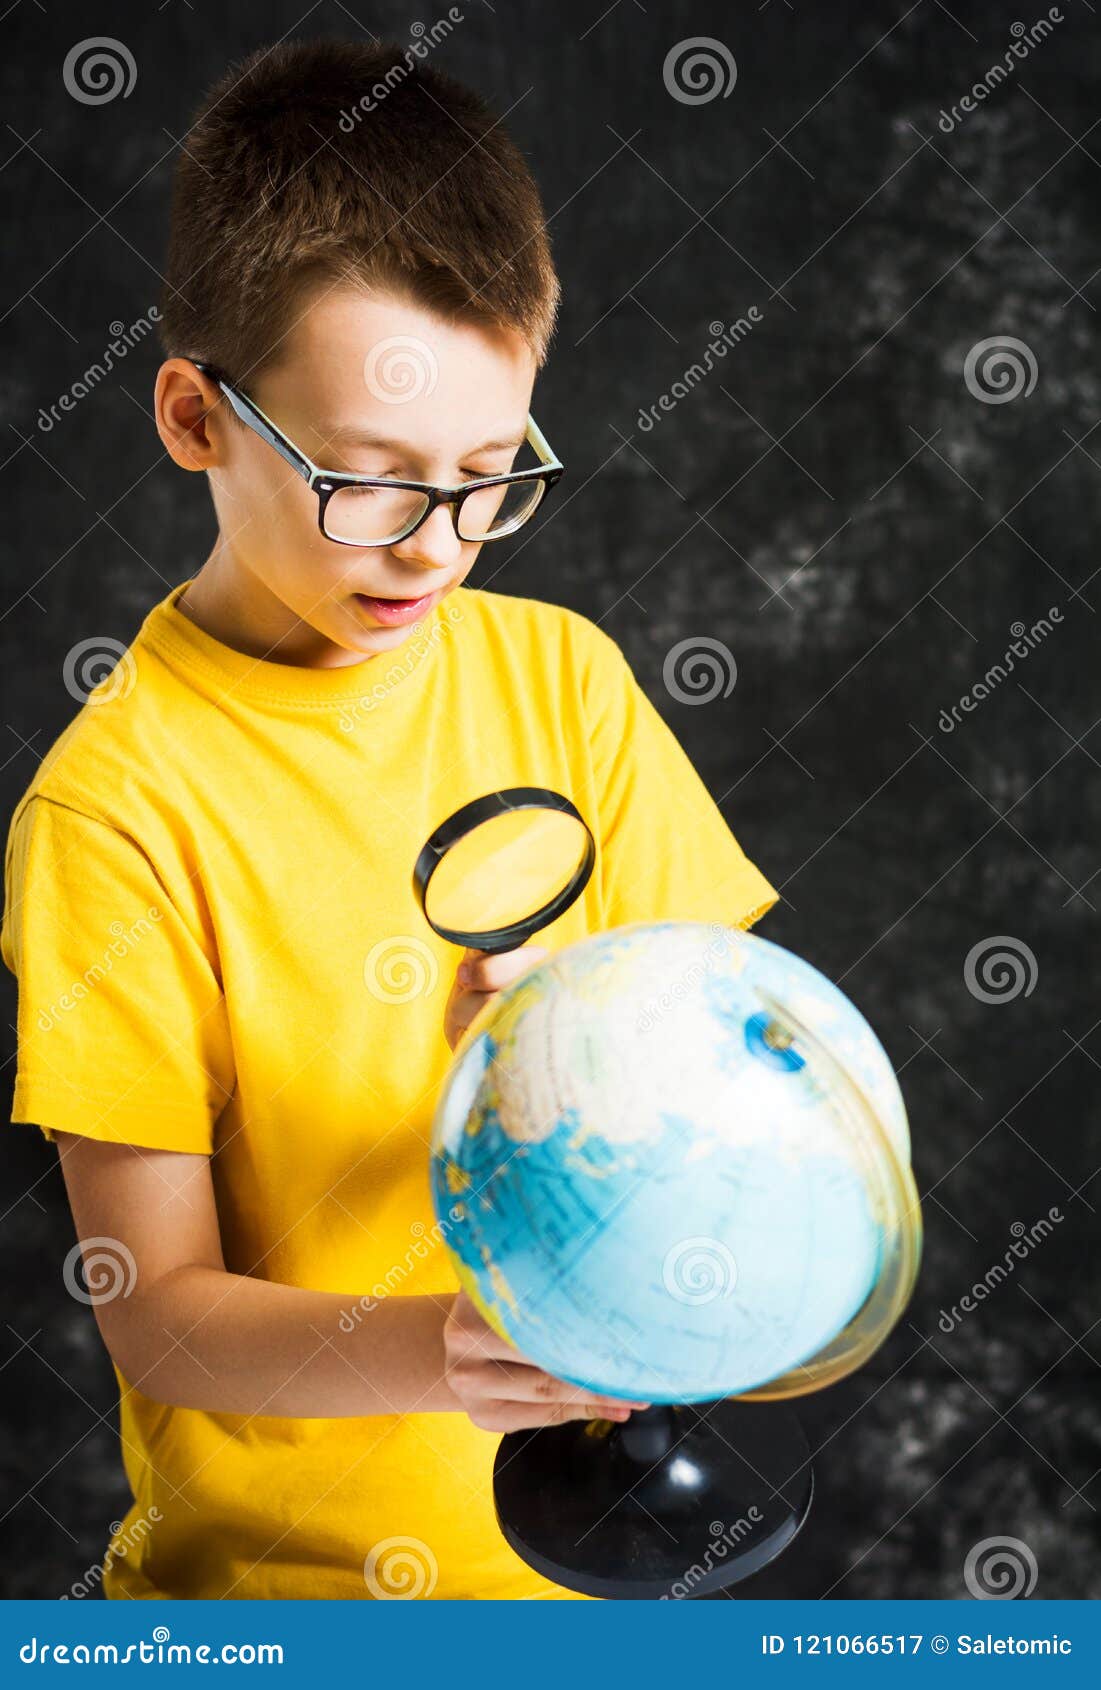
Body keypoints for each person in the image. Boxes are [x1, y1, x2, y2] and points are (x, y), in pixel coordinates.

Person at [1, 39, 779, 1600]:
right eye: (371, 483)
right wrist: (442, 1352)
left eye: (489, 477)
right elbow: (153, 1309)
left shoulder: (565, 680)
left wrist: (601, 1033)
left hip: (593, 1600)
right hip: (277, 1605)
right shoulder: (115, 807)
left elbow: (740, 1094)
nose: (437, 547)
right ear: (192, 417)